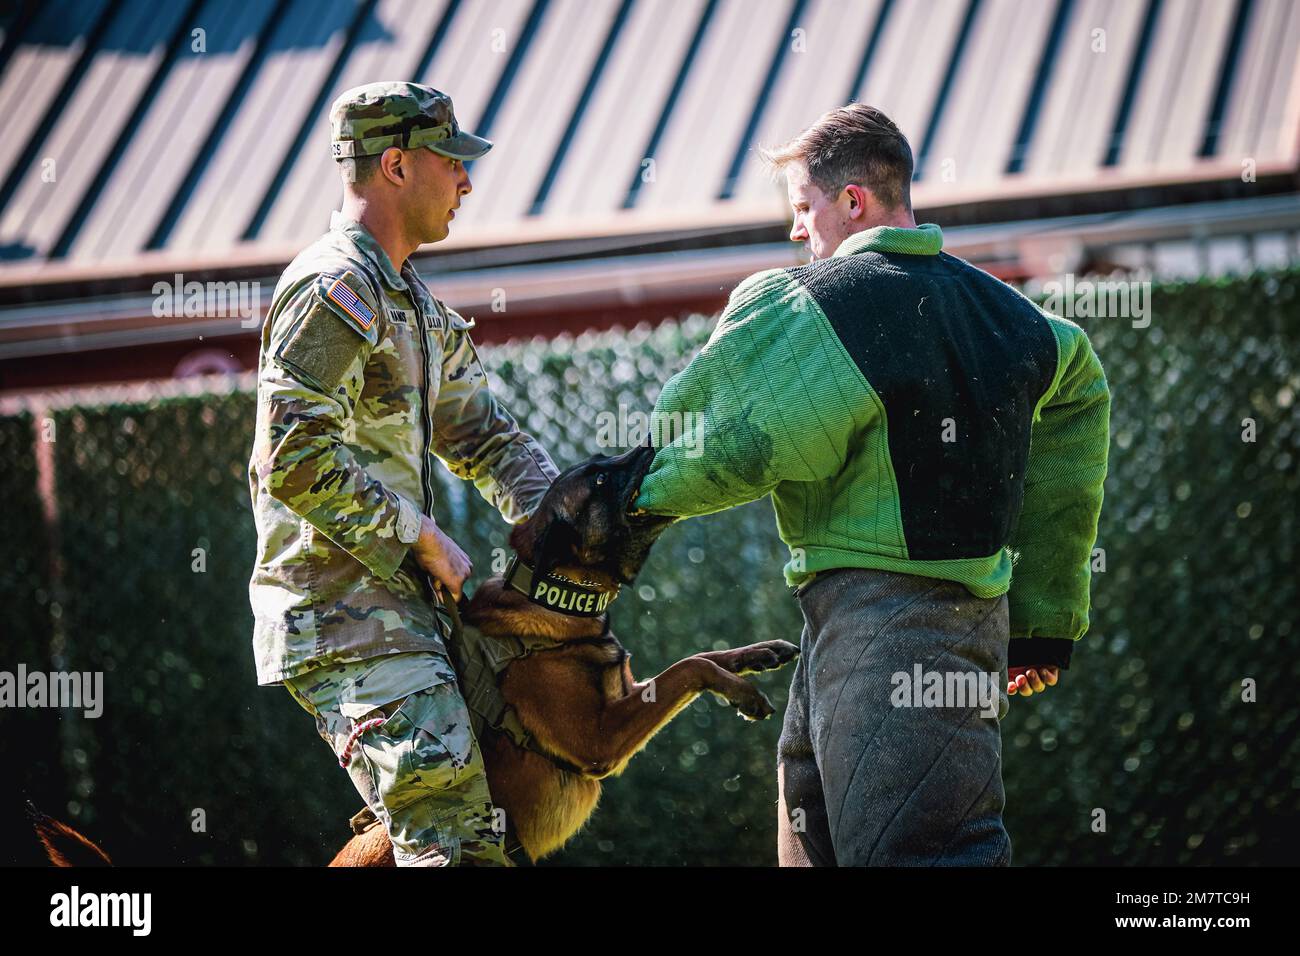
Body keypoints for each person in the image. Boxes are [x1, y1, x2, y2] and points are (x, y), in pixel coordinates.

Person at [630, 104, 1110, 866]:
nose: (796, 232)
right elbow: (1078, 414)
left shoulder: (825, 303)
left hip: (889, 633)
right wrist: (1046, 619)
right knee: (815, 847)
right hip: (906, 627)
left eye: (802, 208)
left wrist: (625, 503)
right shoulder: (1023, 324)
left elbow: (719, 440)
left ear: (852, 201)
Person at [247, 81, 558, 866]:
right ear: (394, 164)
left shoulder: (409, 300)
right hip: (345, 624)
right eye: (450, 159)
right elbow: (288, 456)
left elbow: (484, 437)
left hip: (408, 621)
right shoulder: (336, 290)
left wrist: (572, 519)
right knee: (454, 842)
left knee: (514, 810)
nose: (466, 180)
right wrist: (417, 534)